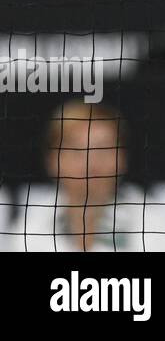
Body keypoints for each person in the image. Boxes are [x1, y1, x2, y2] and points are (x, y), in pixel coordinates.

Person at [44, 101, 130, 251]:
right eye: (77, 150)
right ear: (53, 161)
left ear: (122, 159)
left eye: (103, 149)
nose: (91, 164)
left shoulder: (156, 225)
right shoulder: (24, 229)